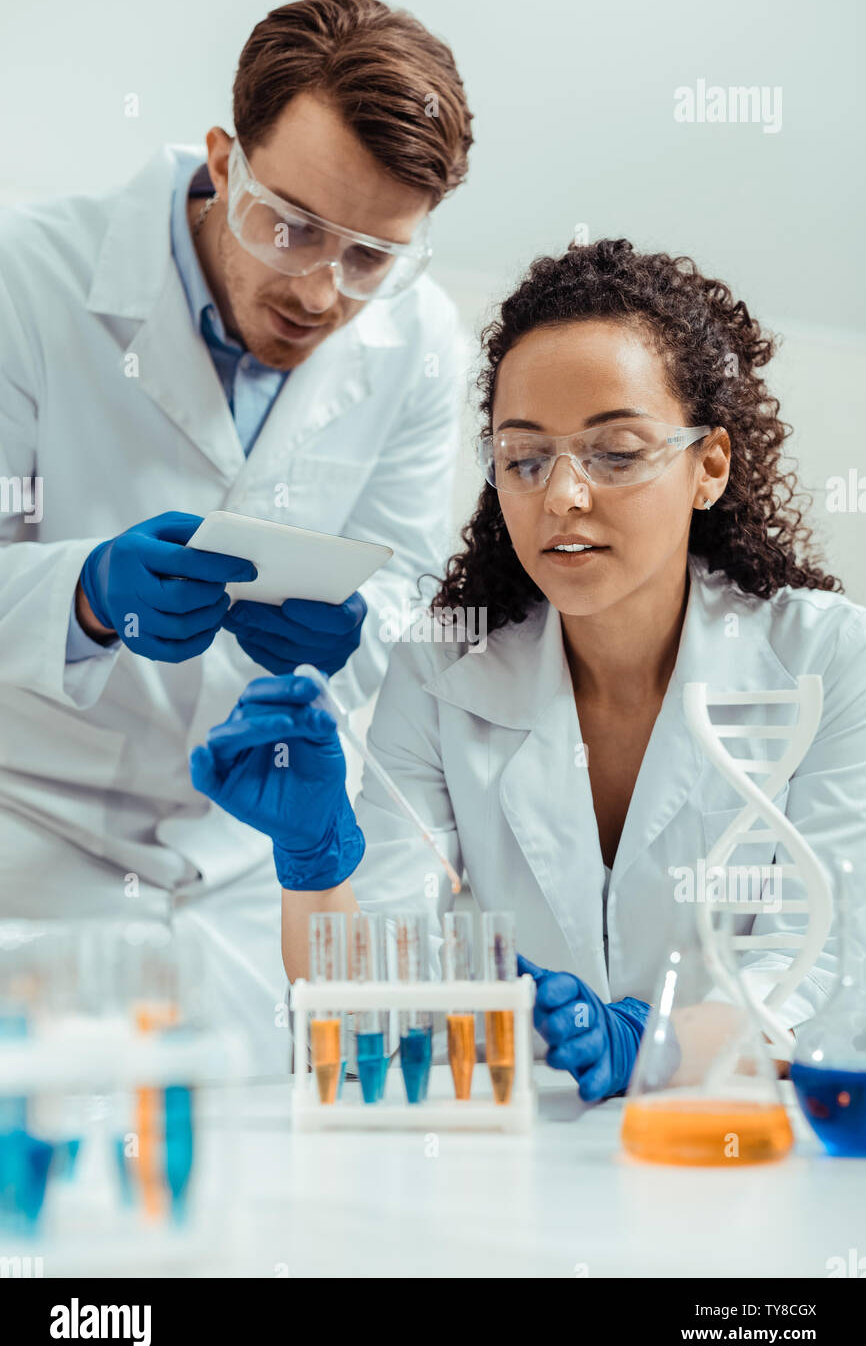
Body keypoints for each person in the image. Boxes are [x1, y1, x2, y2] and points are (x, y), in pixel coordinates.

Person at [190, 239, 866, 1099]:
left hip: (744, 1155)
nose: (562, 497)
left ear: (710, 466)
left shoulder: (827, 659)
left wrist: (647, 1043)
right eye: (525, 458)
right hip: (528, 1168)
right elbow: (364, 1027)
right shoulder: (442, 668)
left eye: (616, 452)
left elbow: (826, 975)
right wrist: (313, 858)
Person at [0, 0, 473, 1072]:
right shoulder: (25, 278)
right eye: (291, 225)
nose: (320, 290)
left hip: (248, 876)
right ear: (223, 160)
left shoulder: (417, 337)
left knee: (270, 1204)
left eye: (369, 257)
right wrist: (84, 594)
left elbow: (405, 575)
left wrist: (358, 626)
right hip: (33, 844)